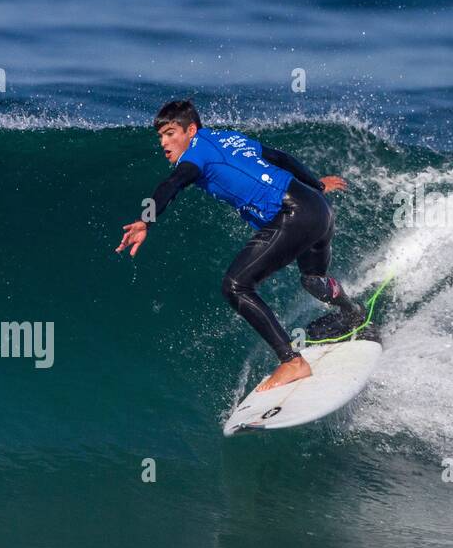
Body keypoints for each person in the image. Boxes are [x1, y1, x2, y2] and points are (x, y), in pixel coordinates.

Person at [117, 100, 365, 391]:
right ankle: (351, 312)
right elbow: (280, 157)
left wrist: (147, 220)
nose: (164, 142)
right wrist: (317, 185)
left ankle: (292, 362)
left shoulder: (197, 153)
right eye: (160, 136)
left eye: (170, 133)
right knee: (313, 280)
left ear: (191, 130)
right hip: (318, 208)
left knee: (235, 285)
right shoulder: (229, 138)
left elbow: (173, 183)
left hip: (294, 213)